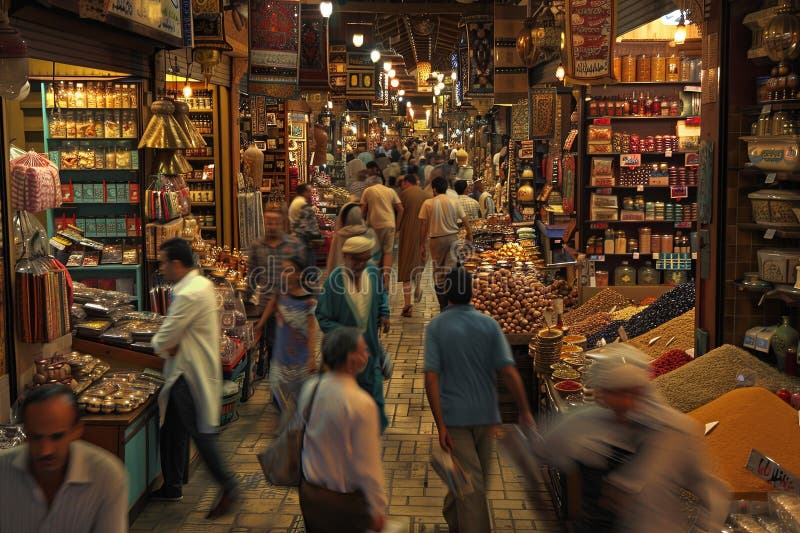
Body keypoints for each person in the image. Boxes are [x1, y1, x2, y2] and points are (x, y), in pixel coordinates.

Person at [532, 344, 730, 532]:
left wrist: (704, 529)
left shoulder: (676, 431)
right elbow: (543, 450)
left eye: (633, 392)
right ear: (601, 393)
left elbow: (713, 493)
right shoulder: (583, 423)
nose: (626, 401)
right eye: (615, 393)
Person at [424, 268, 535, 533]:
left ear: (446, 294)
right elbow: (508, 371)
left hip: (454, 418)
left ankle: (454, 518)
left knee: (469, 485)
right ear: (471, 293)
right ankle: (458, 520)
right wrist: (525, 411)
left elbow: (431, 379)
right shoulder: (489, 324)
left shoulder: (437, 327)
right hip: (486, 416)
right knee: (473, 487)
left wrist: (440, 425)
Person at [150, 238, 239, 518]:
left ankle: (229, 485)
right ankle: (173, 485)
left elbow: (165, 337)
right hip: (190, 370)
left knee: (201, 435)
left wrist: (163, 343)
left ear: (177, 264)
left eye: (164, 262)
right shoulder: (201, 284)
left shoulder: (188, 293)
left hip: (188, 375)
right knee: (174, 431)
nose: (161, 268)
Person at [0, 384, 127, 532]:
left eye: (57, 437)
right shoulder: (3, 472)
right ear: (25, 433)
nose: (45, 451)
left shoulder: (106, 476)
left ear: (77, 431)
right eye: (36, 437)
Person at [298, 328, 387, 533]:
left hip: (311, 494)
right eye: (363, 350)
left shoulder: (311, 388)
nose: (368, 355)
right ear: (350, 359)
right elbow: (368, 465)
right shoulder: (361, 403)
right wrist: (377, 507)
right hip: (343, 502)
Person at [316, 235, 390, 431]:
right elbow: (322, 317)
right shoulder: (333, 282)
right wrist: (347, 335)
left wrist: (384, 312)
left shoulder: (372, 272)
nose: (360, 265)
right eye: (356, 260)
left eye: (364, 260)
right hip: (345, 359)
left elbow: (382, 294)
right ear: (345, 256)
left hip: (370, 352)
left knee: (374, 400)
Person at [249, 205, 307, 374]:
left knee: (289, 345)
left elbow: (302, 274)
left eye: (275, 222)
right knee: (273, 344)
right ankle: (277, 383)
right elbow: (252, 276)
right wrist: (246, 300)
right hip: (267, 304)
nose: (272, 226)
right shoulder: (257, 246)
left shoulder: (294, 245)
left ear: (282, 223)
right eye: (268, 222)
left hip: (290, 306)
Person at [261, 256, 318, 425]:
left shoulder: (308, 300)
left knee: (301, 400)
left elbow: (311, 328)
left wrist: (311, 357)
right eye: (283, 271)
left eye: (288, 271)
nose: (284, 275)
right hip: (281, 358)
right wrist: (260, 324)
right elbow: (271, 304)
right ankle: (288, 426)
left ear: (299, 274)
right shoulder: (280, 294)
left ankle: (296, 431)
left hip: (300, 361)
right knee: (276, 388)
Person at [419, 177, 473, 310]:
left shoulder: (428, 203)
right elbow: (465, 220)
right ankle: (451, 302)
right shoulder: (453, 202)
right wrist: (470, 235)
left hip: (435, 240)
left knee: (438, 272)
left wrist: (422, 245)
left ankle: (442, 304)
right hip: (452, 239)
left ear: (434, 190)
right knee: (451, 270)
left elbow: (424, 226)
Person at [397, 173, 431, 317]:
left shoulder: (404, 195)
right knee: (418, 262)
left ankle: (407, 305)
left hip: (407, 234)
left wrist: (397, 228)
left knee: (405, 269)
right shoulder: (426, 196)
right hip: (423, 235)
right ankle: (417, 286)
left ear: (406, 183)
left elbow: (399, 213)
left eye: (402, 183)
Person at [361, 175, 404, 286]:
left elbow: (363, 209)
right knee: (388, 252)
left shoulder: (368, 190)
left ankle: (373, 279)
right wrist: (397, 225)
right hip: (389, 225)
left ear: (371, 182)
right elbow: (400, 209)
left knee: (374, 252)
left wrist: (362, 225)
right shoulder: (390, 191)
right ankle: (386, 280)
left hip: (373, 226)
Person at [325, 201, 379, 275]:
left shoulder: (340, 236)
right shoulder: (369, 233)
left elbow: (334, 262)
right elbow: (376, 257)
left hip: (342, 278)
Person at [290, 185, 323, 264]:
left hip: (297, 238)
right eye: (309, 192)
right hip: (303, 240)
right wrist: (317, 236)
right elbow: (310, 224)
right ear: (304, 192)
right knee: (309, 269)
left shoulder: (296, 201)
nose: (310, 194)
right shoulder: (302, 203)